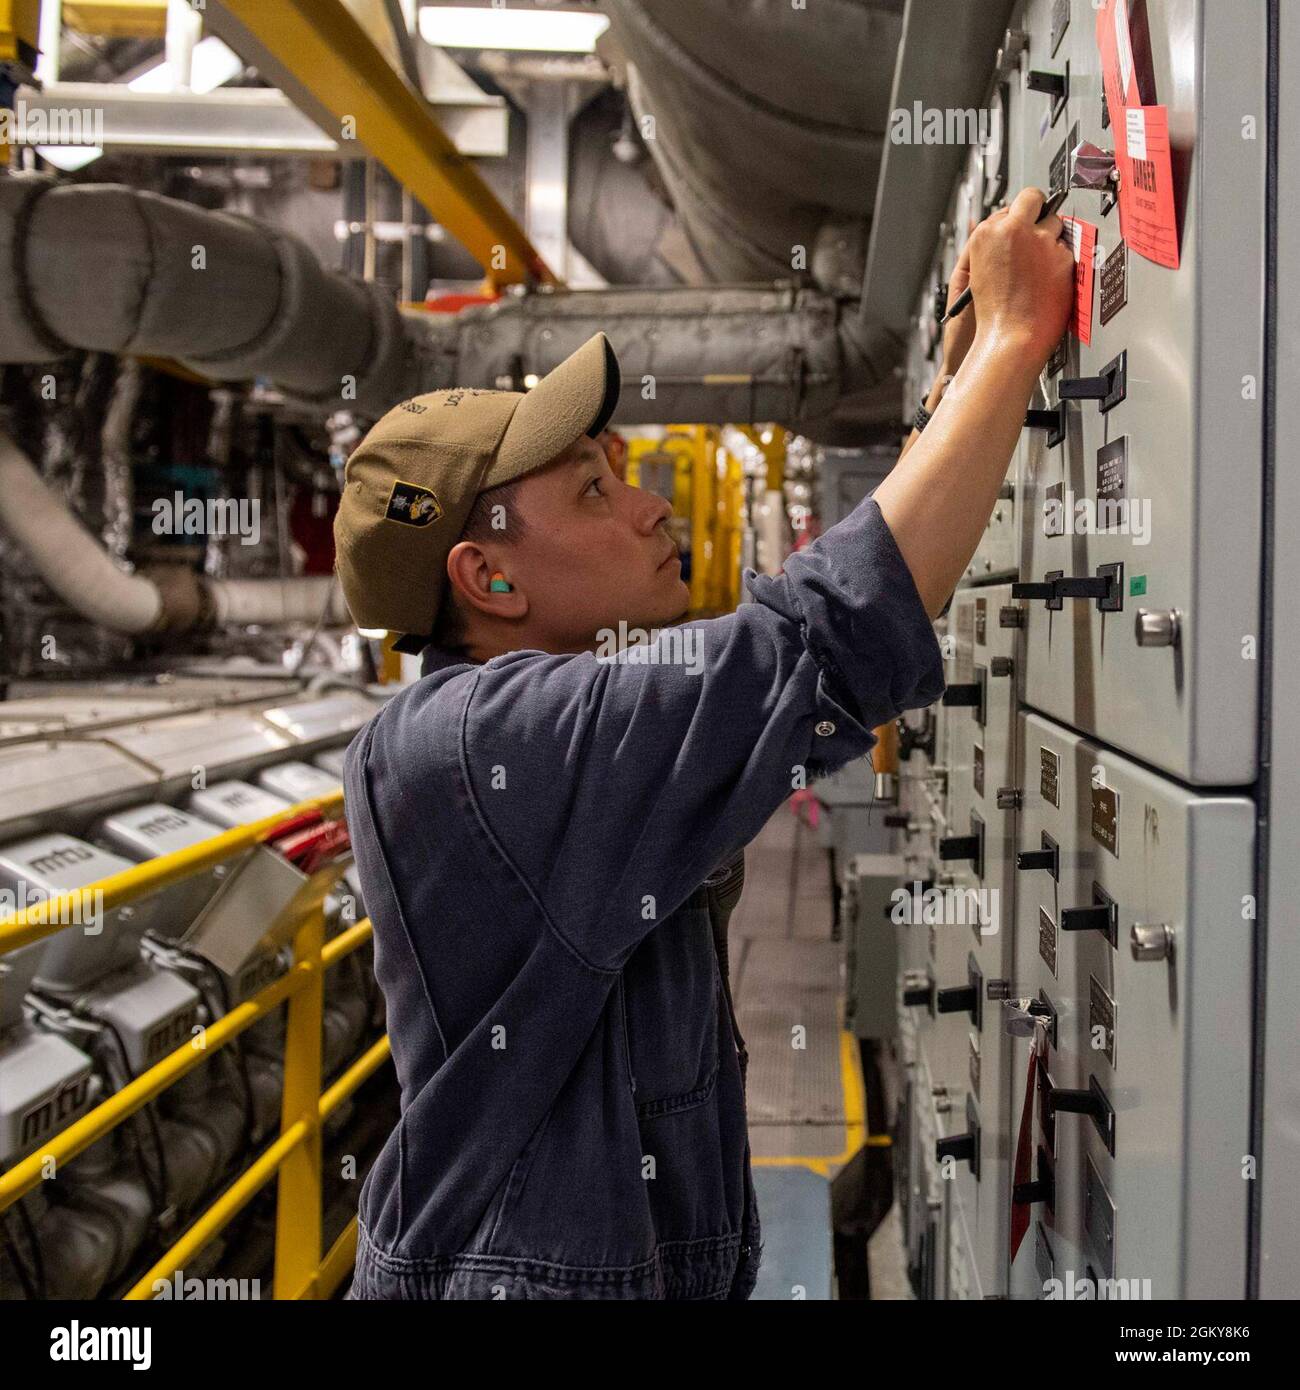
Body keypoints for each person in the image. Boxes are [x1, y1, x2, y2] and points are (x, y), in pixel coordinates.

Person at [333, 187, 1075, 1299]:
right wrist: (1017, 341)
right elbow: (818, 641)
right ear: (487, 576)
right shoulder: (490, 744)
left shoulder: (512, 719)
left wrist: (954, 391)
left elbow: (805, 640)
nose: (647, 508)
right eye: (593, 489)